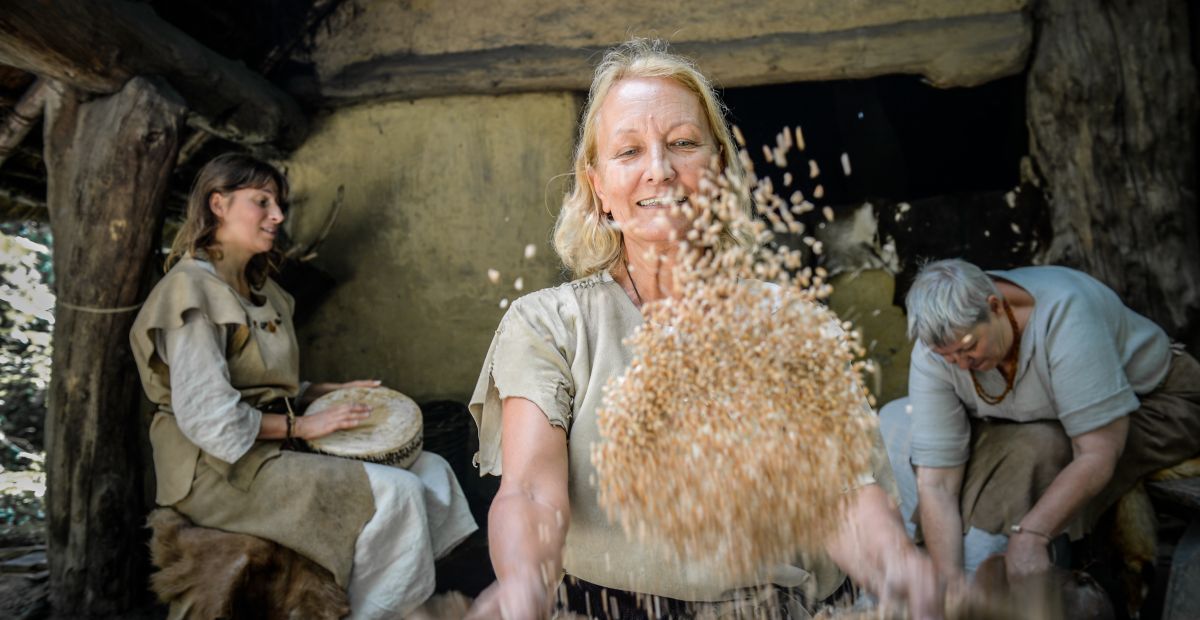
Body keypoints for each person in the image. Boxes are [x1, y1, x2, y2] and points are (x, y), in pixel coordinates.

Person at [465, 39, 941, 620]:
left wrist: (904, 576)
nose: (659, 170)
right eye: (629, 151)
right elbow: (532, 491)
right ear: (598, 189)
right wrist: (522, 585)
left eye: (683, 144)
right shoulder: (549, 325)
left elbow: (839, 499)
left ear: (717, 167)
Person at [129, 153, 477, 619]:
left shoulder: (263, 291)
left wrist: (323, 391)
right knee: (397, 493)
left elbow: (256, 380)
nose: (277, 215)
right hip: (215, 471)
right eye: (261, 202)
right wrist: (304, 427)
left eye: (278, 203)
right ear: (218, 204)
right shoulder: (190, 291)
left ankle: (378, 600)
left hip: (269, 448)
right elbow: (211, 418)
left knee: (432, 471)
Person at [880, 258, 1200, 585]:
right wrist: (949, 586)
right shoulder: (935, 348)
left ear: (995, 307)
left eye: (970, 348)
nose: (961, 365)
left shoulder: (1065, 315)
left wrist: (1031, 534)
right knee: (897, 422)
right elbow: (937, 482)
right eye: (948, 357)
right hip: (1041, 418)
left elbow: (1097, 452)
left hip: (1155, 406)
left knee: (1036, 454)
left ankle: (1036, 571)